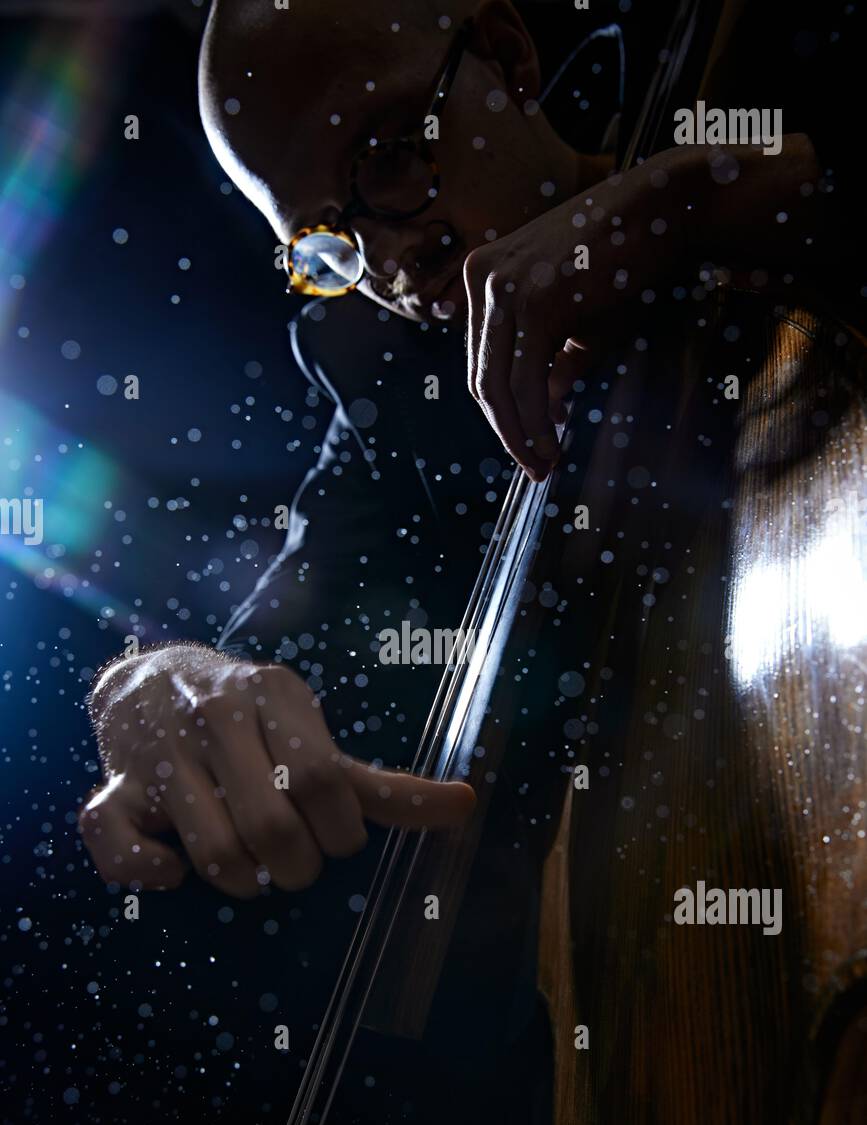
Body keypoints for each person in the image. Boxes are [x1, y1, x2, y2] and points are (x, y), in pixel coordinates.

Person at [79, 0, 861, 899]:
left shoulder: (741, 87)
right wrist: (165, 676)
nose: (392, 259)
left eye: (390, 159)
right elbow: (284, 632)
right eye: (331, 243)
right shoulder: (391, 380)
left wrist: (724, 202)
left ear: (504, 55)